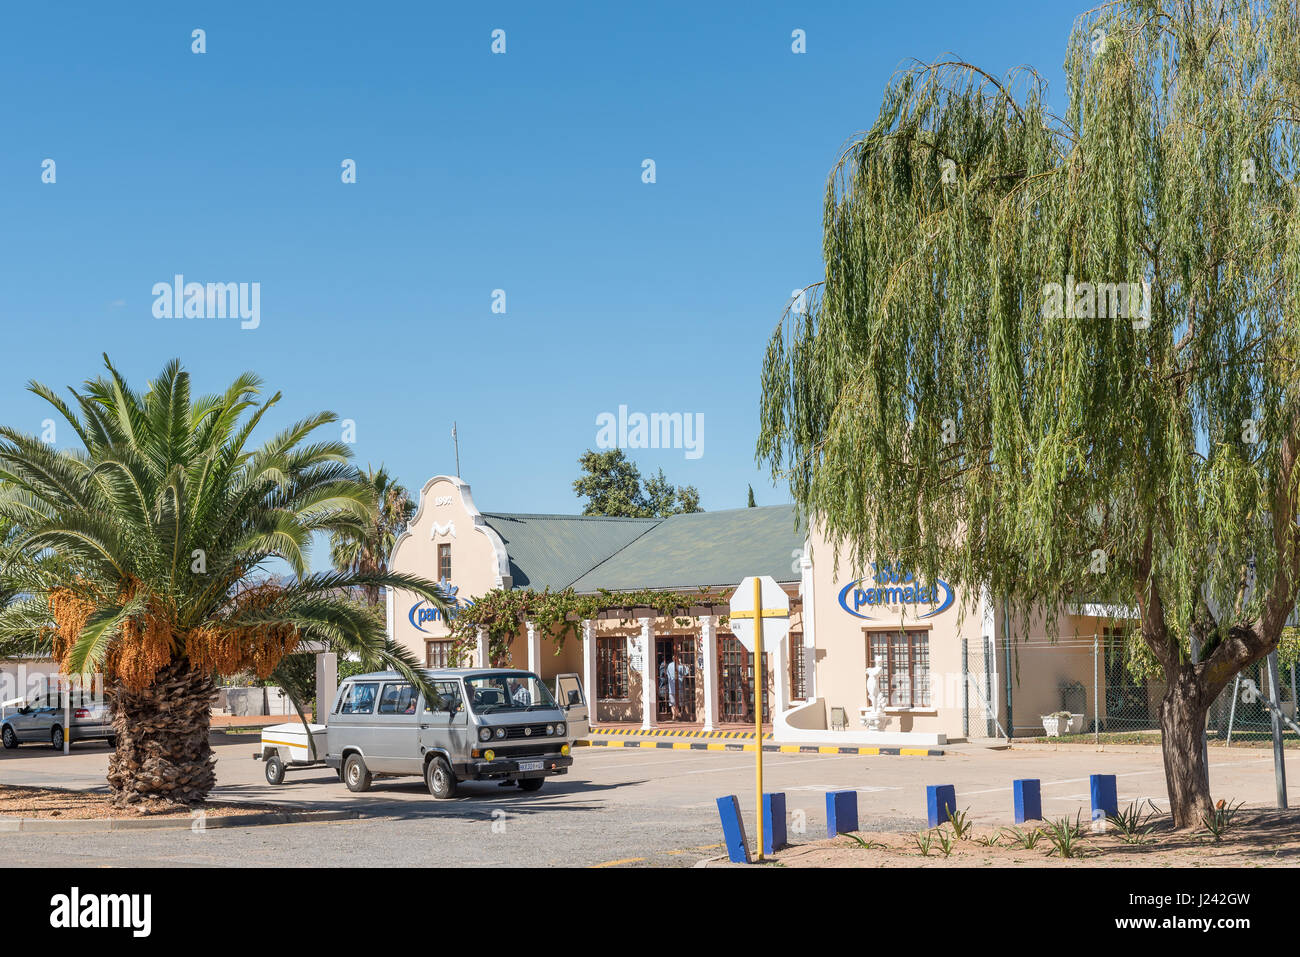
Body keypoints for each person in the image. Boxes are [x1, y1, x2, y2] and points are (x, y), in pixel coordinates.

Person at [666, 652, 691, 721]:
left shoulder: (669, 665)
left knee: (672, 703)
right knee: (683, 702)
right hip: (679, 687)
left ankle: (674, 716)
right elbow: (686, 673)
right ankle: (684, 715)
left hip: (671, 687)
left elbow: (667, 674)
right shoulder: (680, 666)